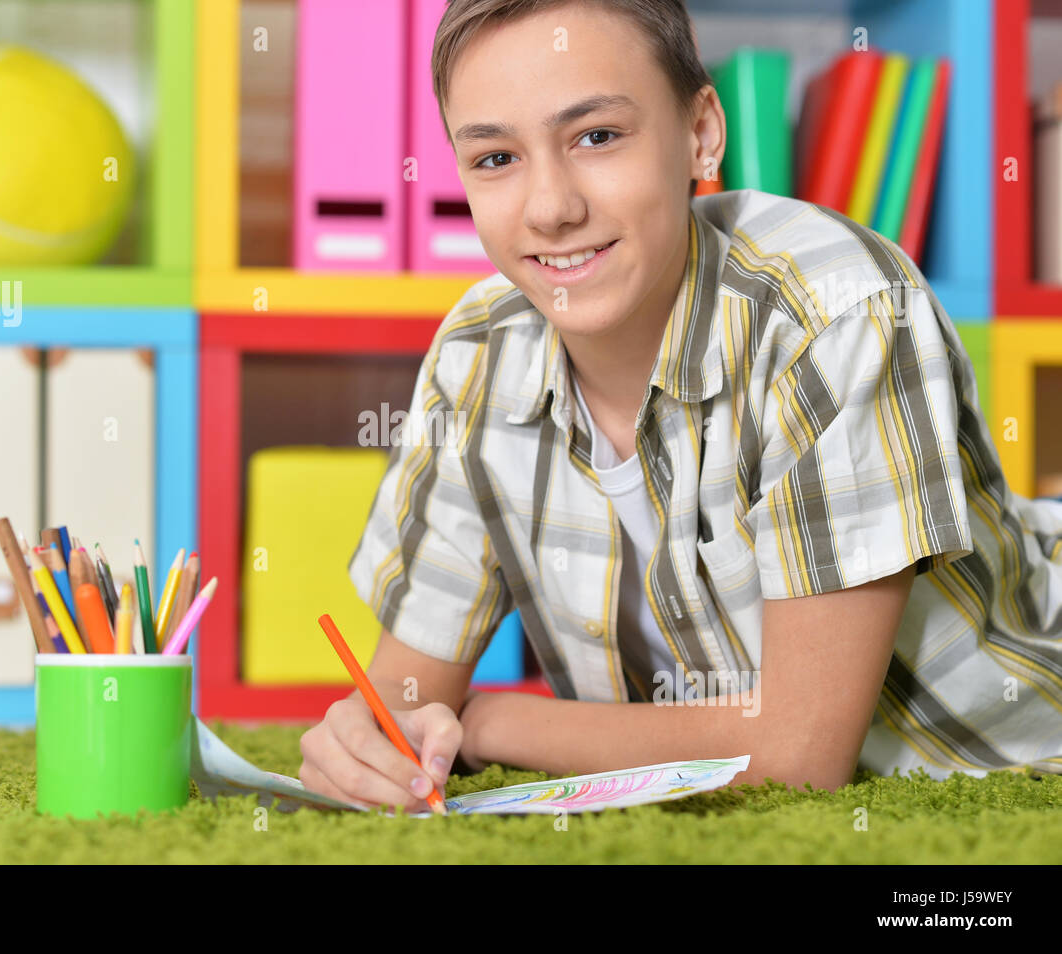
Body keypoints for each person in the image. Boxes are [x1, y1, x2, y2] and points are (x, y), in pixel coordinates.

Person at [298, 0, 1062, 812]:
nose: (550, 207)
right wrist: (366, 742)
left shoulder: (837, 313)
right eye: (495, 158)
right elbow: (406, 699)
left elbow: (797, 754)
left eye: (596, 136)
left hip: (1008, 755)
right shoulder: (478, 356)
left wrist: (491, 721)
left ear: (701, 132)